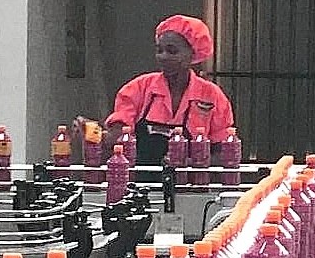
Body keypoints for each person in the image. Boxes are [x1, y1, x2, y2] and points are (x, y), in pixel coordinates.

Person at [80, 14, 235, 167]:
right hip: (140, 181)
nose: (163, 57)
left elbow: (224, 154)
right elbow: (118, 136)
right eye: (159, 50)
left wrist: (190, 163)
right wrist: (93, 134)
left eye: (172, 51)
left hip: (189, 182)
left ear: (192, 54)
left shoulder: (212, 96)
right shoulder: (138, 88)